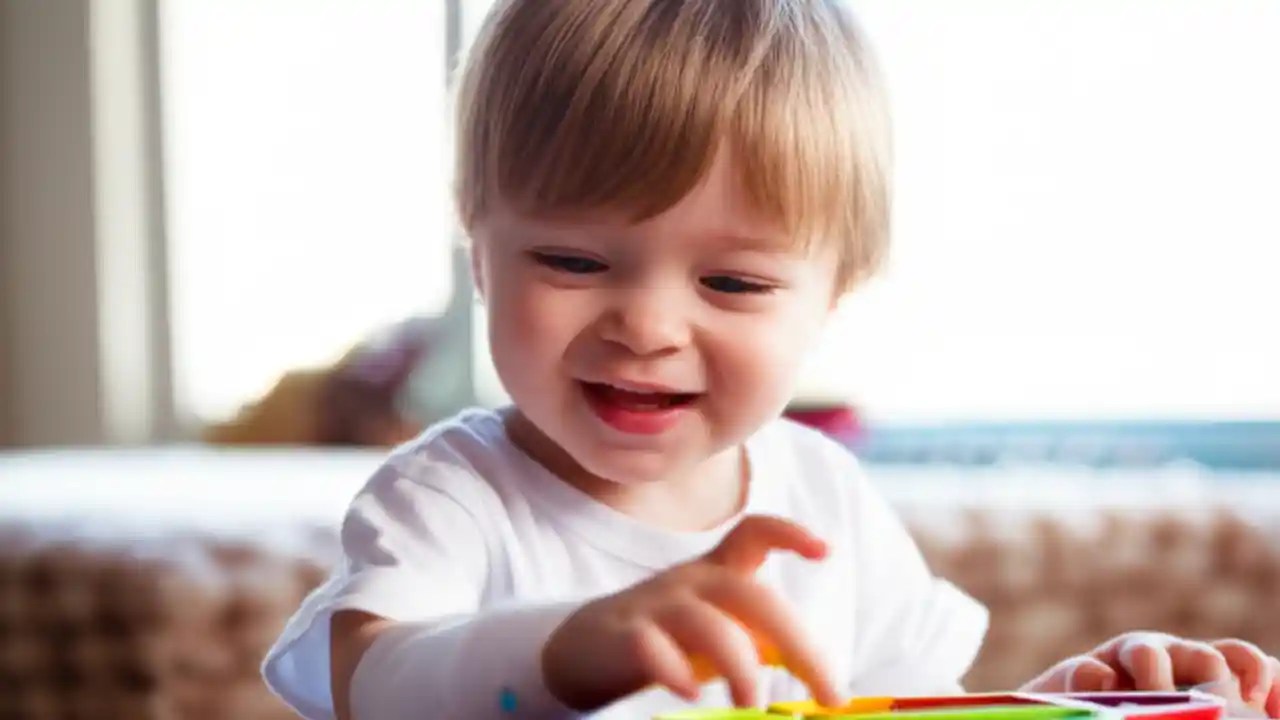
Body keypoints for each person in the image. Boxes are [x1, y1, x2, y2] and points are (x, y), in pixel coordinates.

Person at [261, 1, 1280, 718]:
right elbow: (377, 683)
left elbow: (908, 711)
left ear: (831, 295)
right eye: (572, 260)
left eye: (733, 284)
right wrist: (563, 651)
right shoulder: (454, 498)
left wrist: (1078, 703)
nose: (647, 327)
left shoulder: (816, 497)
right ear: (475, 249)